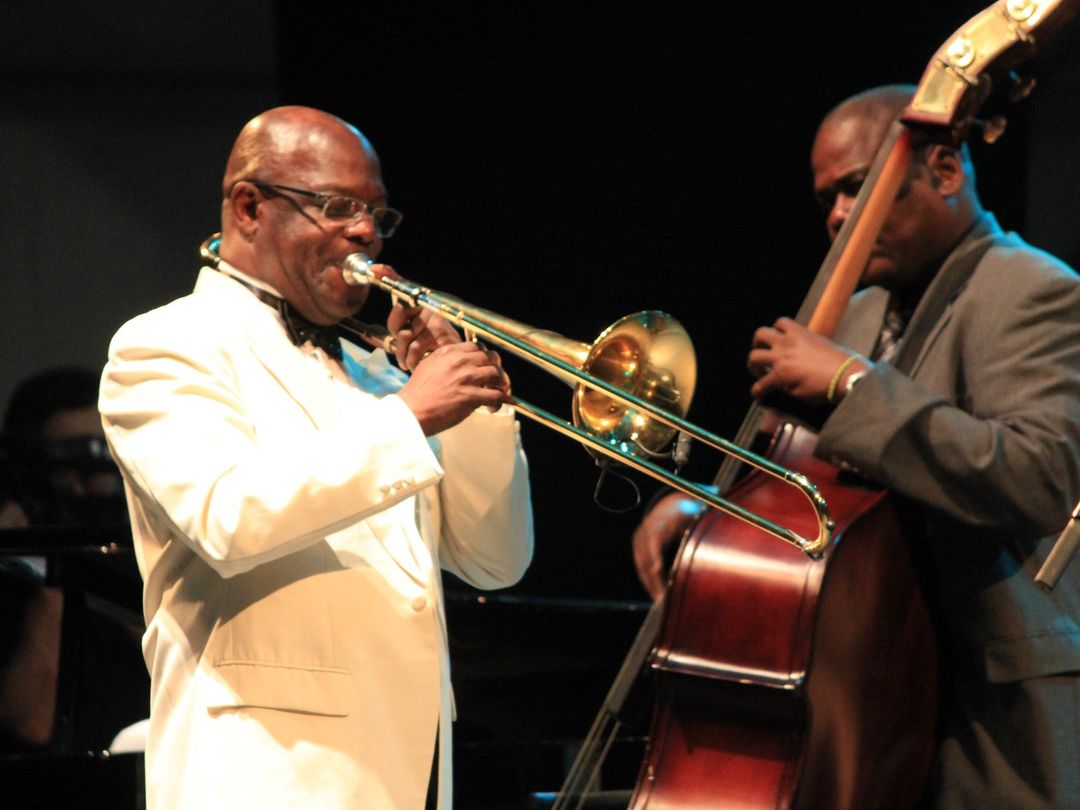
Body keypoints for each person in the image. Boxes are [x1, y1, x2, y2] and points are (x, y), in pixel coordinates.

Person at [632, 85, 1080, 808]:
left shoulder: (1031, 287)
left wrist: (848, 380)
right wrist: (706, 510)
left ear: (945, 171)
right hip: (870, 695)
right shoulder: (857, 311)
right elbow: (807, 483)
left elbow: (1040, 475)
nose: (840, 216)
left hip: (988, 715)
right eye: (828, 201)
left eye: (857, 189)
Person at [98, 106, 534, 810]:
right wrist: (412, 415)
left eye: (376, 214)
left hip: (410, 773)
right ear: (249, 208)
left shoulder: (381, 375)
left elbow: (495, 561)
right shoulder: (166, 345)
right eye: (336, 207)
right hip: (267, 777)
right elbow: (227, 518)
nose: (363, 230)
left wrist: (472, 409)